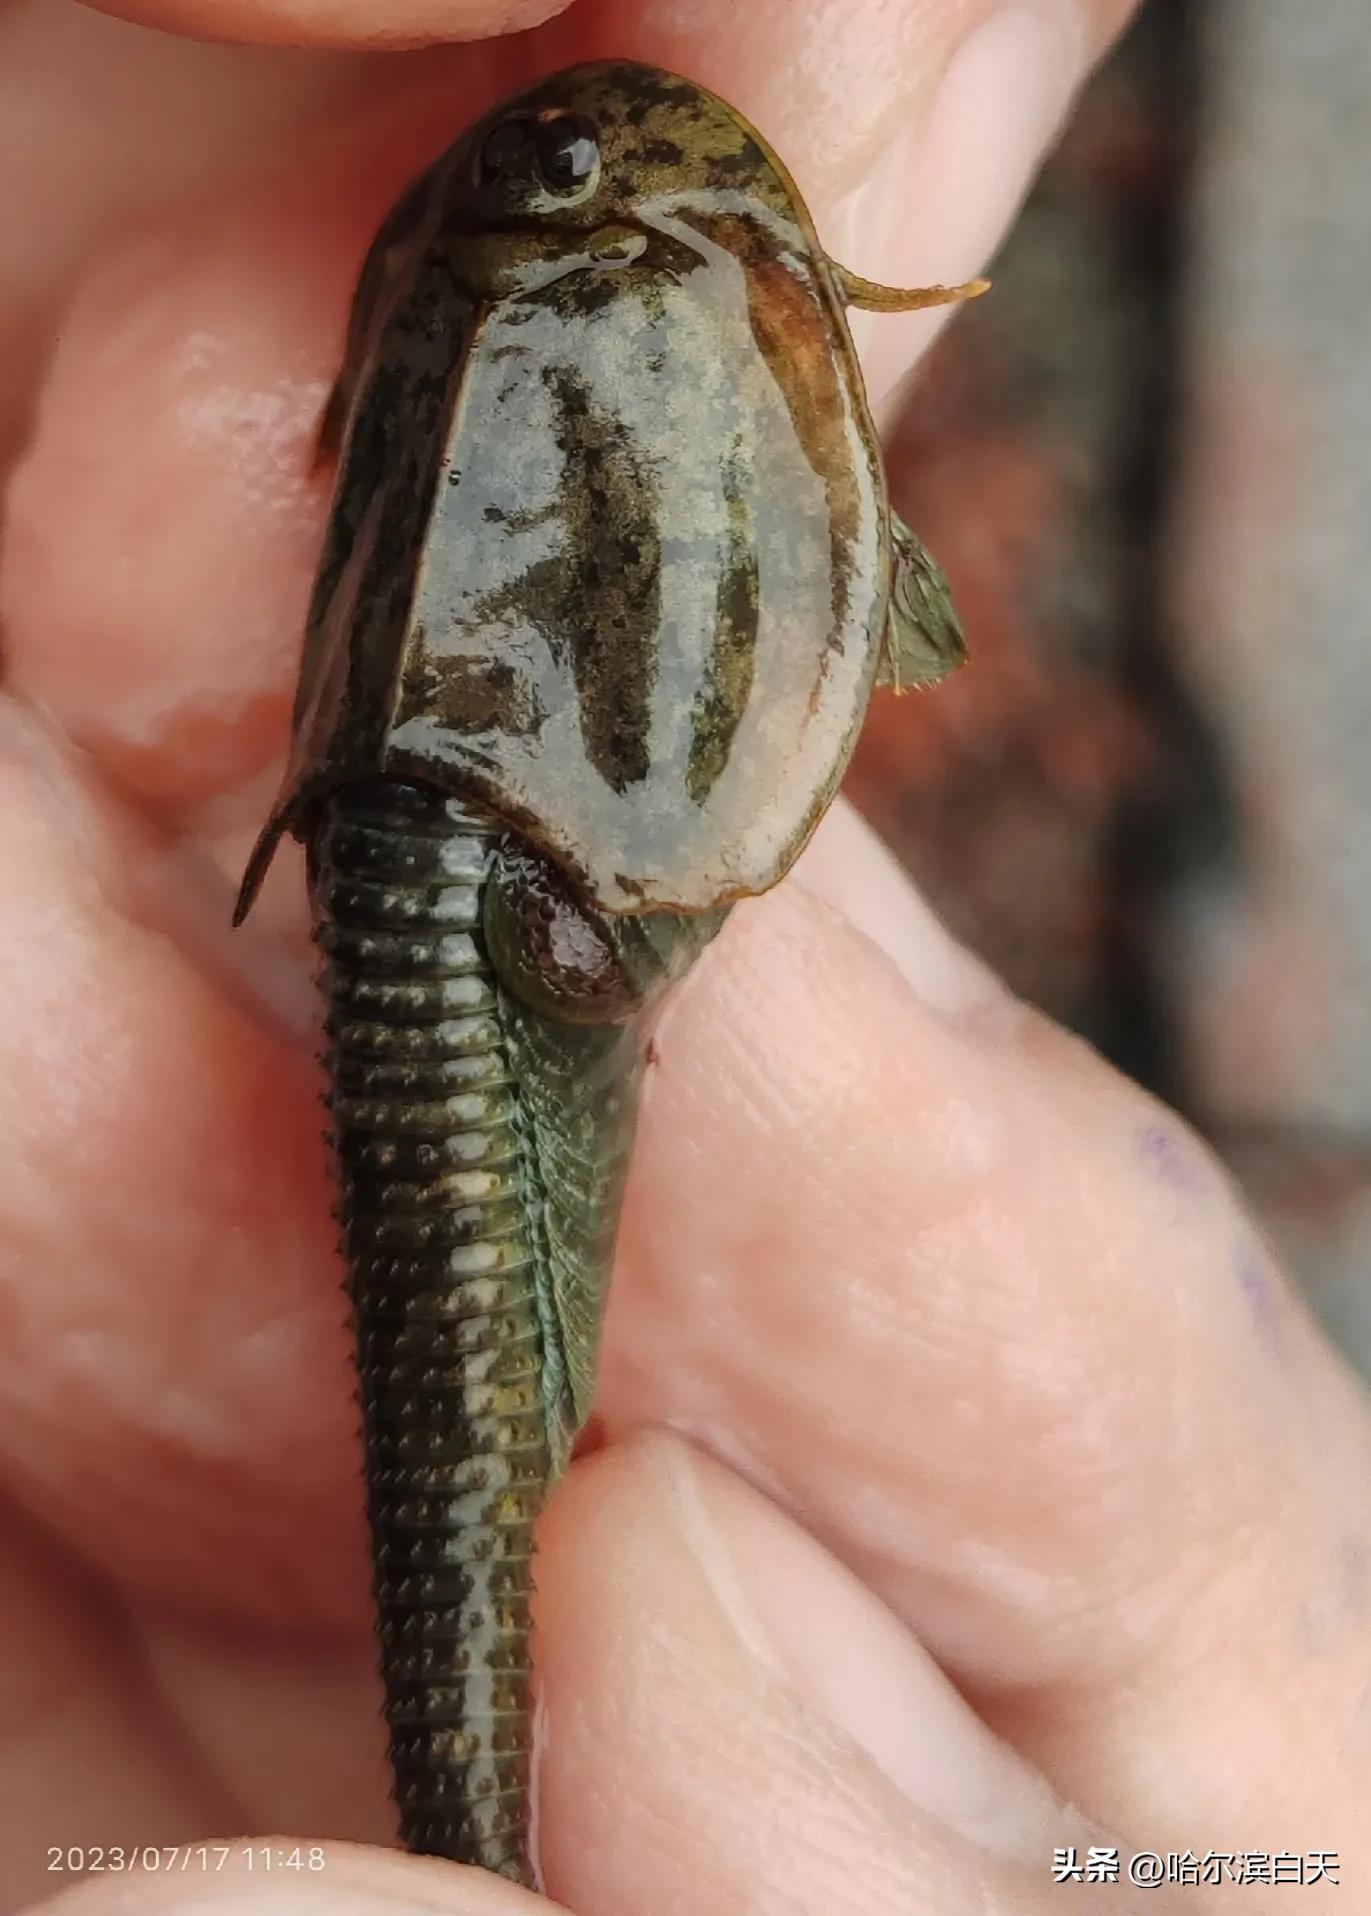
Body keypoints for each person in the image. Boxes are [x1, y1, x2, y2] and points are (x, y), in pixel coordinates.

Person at [1, 1, 1362, 1911]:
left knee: (491, 1573)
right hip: (482, 878)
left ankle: (461, 1823)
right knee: (509, 1565)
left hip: (458, 866)